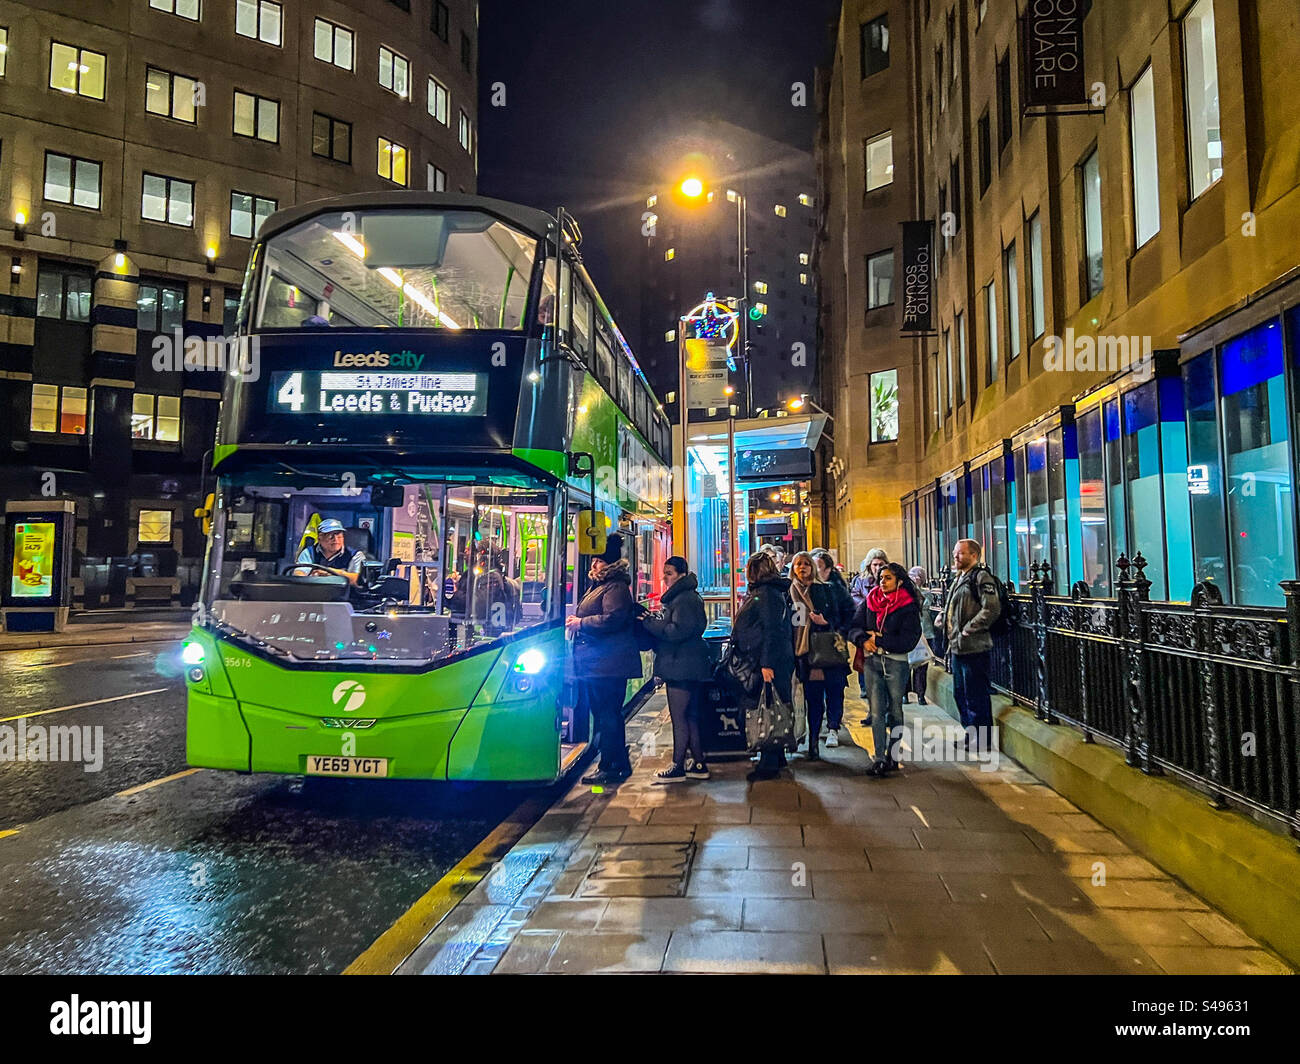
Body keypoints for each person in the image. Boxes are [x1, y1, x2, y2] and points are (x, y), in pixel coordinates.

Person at [567, 533, 641, 786]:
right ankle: (617, 763)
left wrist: (581, 623)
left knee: (607, 714)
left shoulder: (615, 587)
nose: (593, 565)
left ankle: (610, 766)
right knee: (606, 714)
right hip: (599, 663)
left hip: (607, 665)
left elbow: (613, 618)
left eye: (597, 561)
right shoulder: (603, 585)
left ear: (608, 564)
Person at [642, 556, 712, 782]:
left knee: (679, 717)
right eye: (664, 572)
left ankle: (678, 765)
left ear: (682, 574)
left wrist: (650, 623)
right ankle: (699, 763)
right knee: (690, 716)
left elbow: (676, 631)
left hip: (682, 665)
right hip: (689, 663)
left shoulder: (683, 599)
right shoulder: (687, 597)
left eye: (669, 573)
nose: (665, 577)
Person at [850, 562, 922, 777]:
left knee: (895, 711)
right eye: (881, 577)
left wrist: (881, 640)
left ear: (899, 581)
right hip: (872, 662)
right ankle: (879, 758)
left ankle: (894, 754)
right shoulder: (870, 600)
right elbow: (854, 626)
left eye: (888, 578)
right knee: (876, 710)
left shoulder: (907, 605)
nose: (883, 581)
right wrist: (863, 640)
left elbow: (909, 639)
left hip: (896, 662)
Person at [730, 550, 795, 780]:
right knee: (772, 704)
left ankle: (769, 761)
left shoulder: (766, 594)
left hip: (766, 662)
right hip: (772, 660)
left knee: (766, 706)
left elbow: (772, 632)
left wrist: (767, 664)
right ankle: (776, 755)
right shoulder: (771, 592)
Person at [936, 539, 1001, 749]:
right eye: (955, 553)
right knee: (960, 692)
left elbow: (991, 608)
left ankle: (982, 739)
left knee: (976, 694)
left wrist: (968, 629)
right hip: (957, 646)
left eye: (961, 553)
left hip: (974, 646)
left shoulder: (981, 577)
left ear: (974, 555)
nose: (955, 557)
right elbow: (954, 605)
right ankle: (970, 733)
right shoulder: (959, 578)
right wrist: (944, 618)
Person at [850, 548, 889, 699]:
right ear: (869, 566)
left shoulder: (889, 579)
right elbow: (855, 597)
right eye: (875, 565)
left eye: (881, 564)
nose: (878, 568)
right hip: (866, 625)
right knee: (864, 660)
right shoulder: (861, 581)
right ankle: (865, 687)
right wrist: (869, 607)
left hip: (884, 628)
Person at [294, 518, 363, 584]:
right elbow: (299, 575)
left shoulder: (355, 555)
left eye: (338, 535)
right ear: (319, 538)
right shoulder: (308, 553)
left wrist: (329, 572)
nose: (336, 539)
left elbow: (357, 580)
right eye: (330, 535)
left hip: (344, 594)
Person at [908, 565, 936, 704]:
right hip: (910, 633)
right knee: (907, 665)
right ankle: (905, 694)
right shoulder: (906, 592)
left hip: (925, 632)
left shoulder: (927, 593)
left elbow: (923, 604)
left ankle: (920, 694)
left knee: (922, 665)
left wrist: (916, 588)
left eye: (918, 576)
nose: (915, 578)